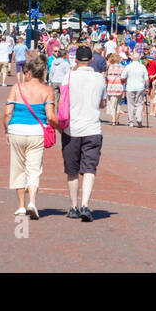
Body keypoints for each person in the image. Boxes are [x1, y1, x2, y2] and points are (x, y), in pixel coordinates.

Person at [5, 52, 57, 220]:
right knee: (34, 169)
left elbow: (8, 112)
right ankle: (32, 202)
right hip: (37, 132)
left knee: (18, 168)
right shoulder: (47, 90)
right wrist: (60, 128)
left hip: (17, 130)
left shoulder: (17, 88)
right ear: (42, 72)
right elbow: (50, 116)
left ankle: (21, 206)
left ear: (29, 72)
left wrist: (7, 129)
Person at [61, 45, 107, 221]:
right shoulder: (99, 79)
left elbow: (63, 101)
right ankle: (85, 205)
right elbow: (102, 104)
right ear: (92, 60)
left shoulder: (69, 76)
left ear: (75, 60)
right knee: (89, 168)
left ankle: (73, 206)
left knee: (72, 169)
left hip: (72, 128)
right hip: (93, 127)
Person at [123, 54, 149, 128]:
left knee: (130, 104)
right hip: (140, 87)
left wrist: (125, 81)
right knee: (139, 103)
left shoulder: (128, 66)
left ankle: (131, 121)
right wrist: (147, 88)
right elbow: (146, 79)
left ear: (132, 59)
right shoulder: (143, 67)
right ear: (139, 59)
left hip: (130, 87)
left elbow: (122, 76)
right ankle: (139, 117)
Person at [105, 52, 125, 125]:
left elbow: (106, 77)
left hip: (111, 87)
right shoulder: (122, 67)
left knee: (112, 104)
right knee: (118, 104)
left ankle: (113, 119)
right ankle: (117, 118)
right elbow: (124, 77)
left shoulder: (109, 67)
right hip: (119, 86)